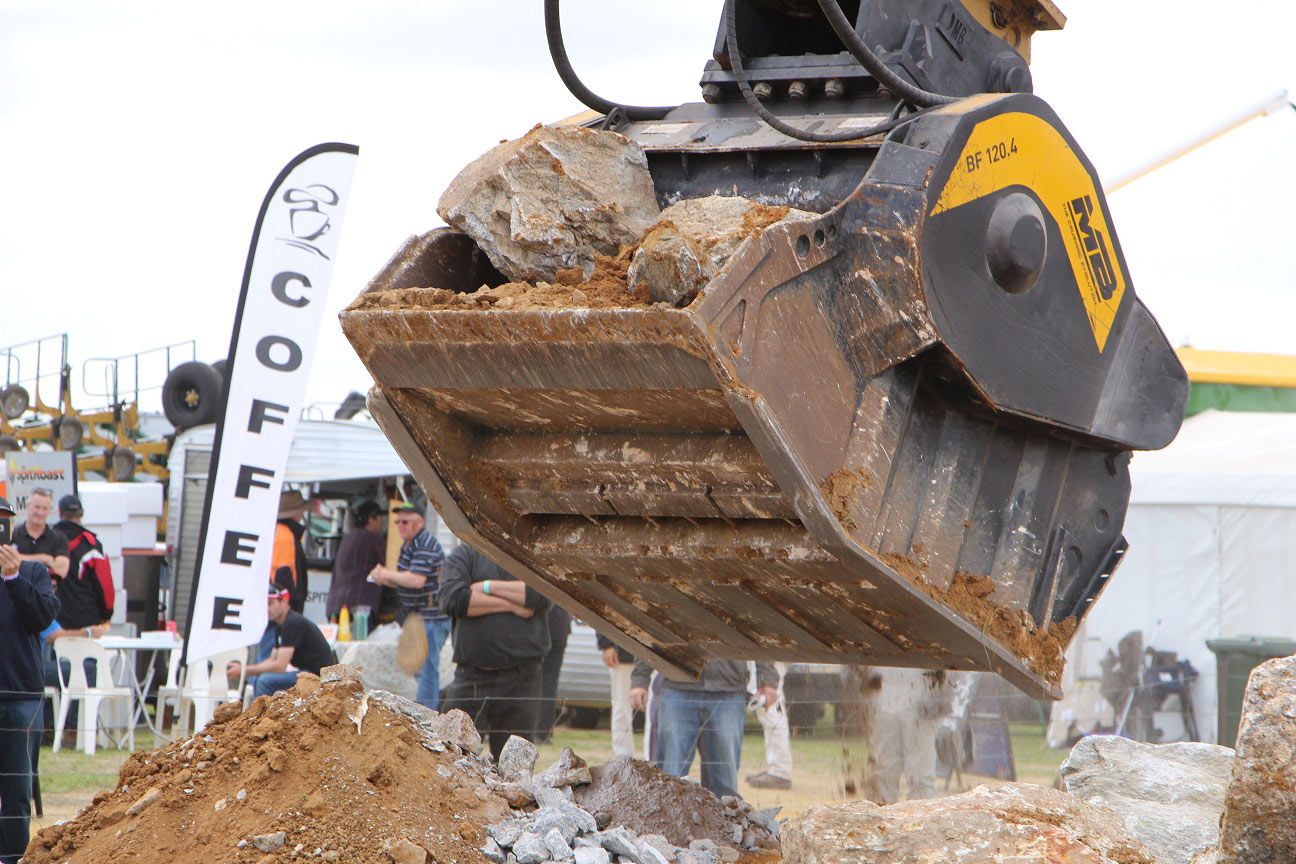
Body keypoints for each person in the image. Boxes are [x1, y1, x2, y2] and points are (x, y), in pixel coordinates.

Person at [438, 542, 552, 762]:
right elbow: (453, 599)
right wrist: (513, 604)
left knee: (515, 766)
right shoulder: (464, 555)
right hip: (471, 677)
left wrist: (485, 587)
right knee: (451, 755)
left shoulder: (530, 556)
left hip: (522, 679)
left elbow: (540, 595)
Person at [0, 496, 60, 864]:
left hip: (21, 695)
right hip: (19, 693)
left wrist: (13, 578)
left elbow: (42, 619)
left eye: (3, 521)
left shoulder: (33, 572)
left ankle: (11, 857)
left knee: (17, 787)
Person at [630, 658, 778, 800]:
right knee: (669, 782)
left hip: (729, 690)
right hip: (677, 685)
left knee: (725, 790)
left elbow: (763, 639)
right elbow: (649, 640)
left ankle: (725, 818)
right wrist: (640, 679)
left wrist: (767, 679)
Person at [369, 503, 446, 709]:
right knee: (419, 667)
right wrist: (386, 579)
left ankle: (427, 714)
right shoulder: (410, 544)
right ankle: (425, 711)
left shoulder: (425, 544)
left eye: (405, 522)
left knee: (427, 669)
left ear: (419, 522)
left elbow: (416, 580)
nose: (400, 526)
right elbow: (405, 579)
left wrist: (387, 574)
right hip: (418, 616)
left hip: (431, 616)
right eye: (398, 522)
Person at [858, 666, 953, 804]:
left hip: (922, 693)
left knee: (920, 773)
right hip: (882, 693)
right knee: (883, 769)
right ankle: (882, 814)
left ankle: (919, 815)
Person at [238, 581, 335, 699]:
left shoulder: (292, 622)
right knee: (256, 677)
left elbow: (280, 666)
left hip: (317, 676)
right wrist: (246, 670)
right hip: (306, 672)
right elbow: (272, 659)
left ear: (284, 601)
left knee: (264, 681)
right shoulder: (280, 624)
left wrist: (245, 670)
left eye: (270, 603)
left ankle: (264, 711)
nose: (266, 609)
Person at [49, 494, 113, 635]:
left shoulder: (46, 541)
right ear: (81, 514)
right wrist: (107, 614)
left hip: (53, 621)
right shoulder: (92, 545)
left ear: (60, 513)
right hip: (87, 622)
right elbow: (105, 586)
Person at [325, 500, 386, 622]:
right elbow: (387, 567)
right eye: (380, 518)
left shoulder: (347, 539)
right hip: (359, 608)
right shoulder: (374, 540)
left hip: (334, 606)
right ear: (371, 519)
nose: (382, 522)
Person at [746, 661, 793, 790]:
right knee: (769, 712)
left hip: (770, 660)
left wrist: (767, 679)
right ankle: (775, 769)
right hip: (769, 661)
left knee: (771, 711)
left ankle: (780, 772)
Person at [14, 487, 68, 581]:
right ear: (27, 506)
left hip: (46, 589)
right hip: (16, 589)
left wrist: (19, 558)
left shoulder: (59, 539)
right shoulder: (12, 535)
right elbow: (3, 563)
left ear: (50, 510)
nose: (40, 512)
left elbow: (61, 571)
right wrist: (44, 559)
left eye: (45, 508)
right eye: (37, 507)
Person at [597, 632, 637, 759]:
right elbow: (604, 619)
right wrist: (606, 644)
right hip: (623, 651)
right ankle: (622, 757)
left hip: (655, 654)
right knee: (621, 707)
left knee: (656, 710)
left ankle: (655, 758)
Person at [536, 604, 572, 743]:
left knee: (533, 681)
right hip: (559, 624)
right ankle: (543, 732)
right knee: (549, 682)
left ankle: (536, 730)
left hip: (539, 627)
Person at [271, 489, 310, 613]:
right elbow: (283, 575)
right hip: (284, 609)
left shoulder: (278, 531)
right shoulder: (285, 536)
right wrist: (294, 603)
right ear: (296, 514)